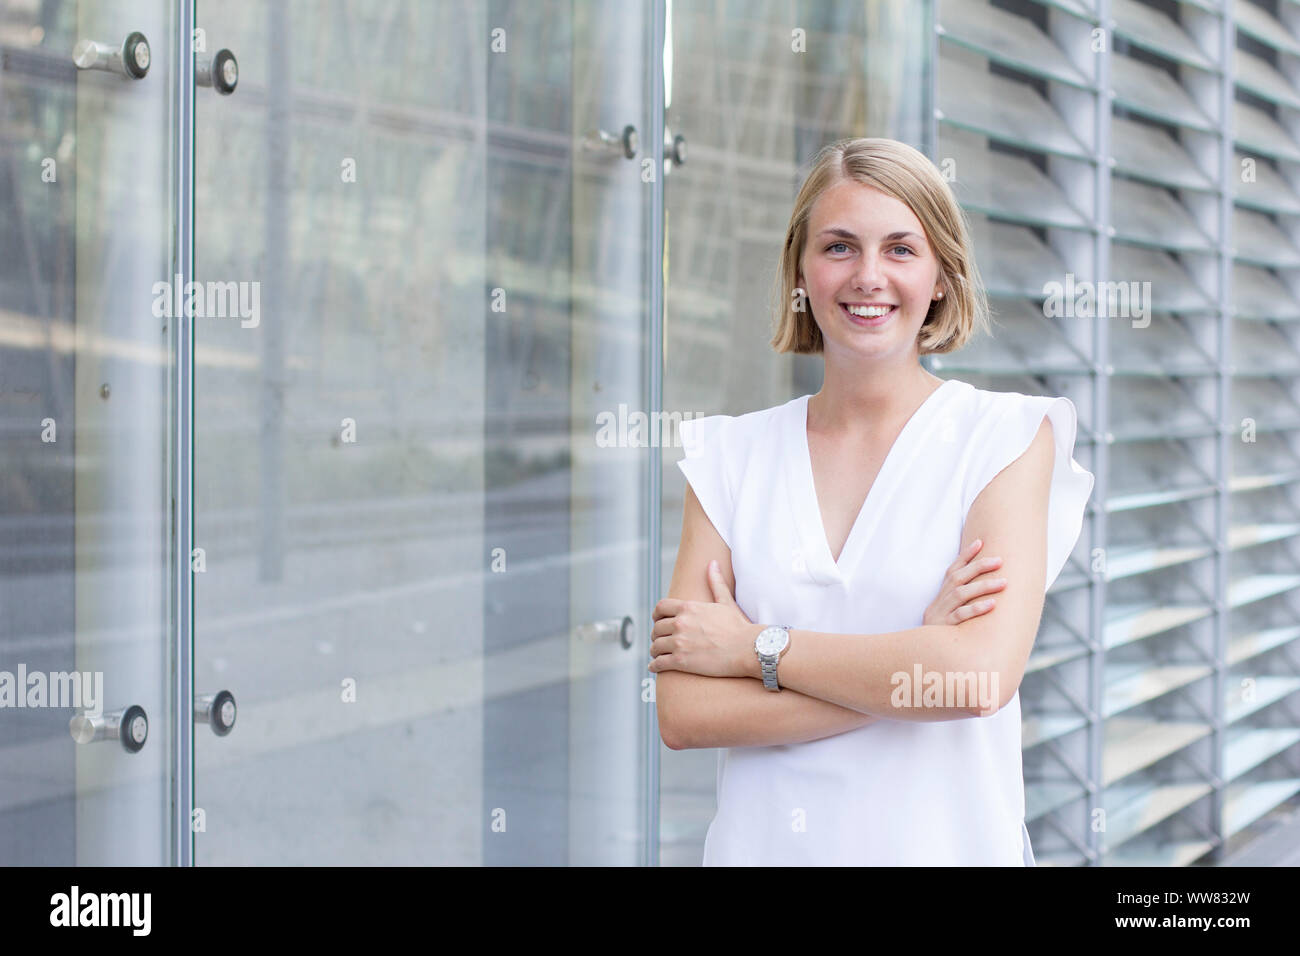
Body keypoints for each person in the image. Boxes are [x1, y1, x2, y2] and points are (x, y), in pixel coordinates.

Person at [650, 137, 1095, 866]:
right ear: (801, 269)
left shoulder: (1005, 439)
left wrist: (756, 649)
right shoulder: (729, 457)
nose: (867, 277)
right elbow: (685, 712)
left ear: (942, 275)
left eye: (900, 249)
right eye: (838, 247)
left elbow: (977, 679)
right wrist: (912, 670)